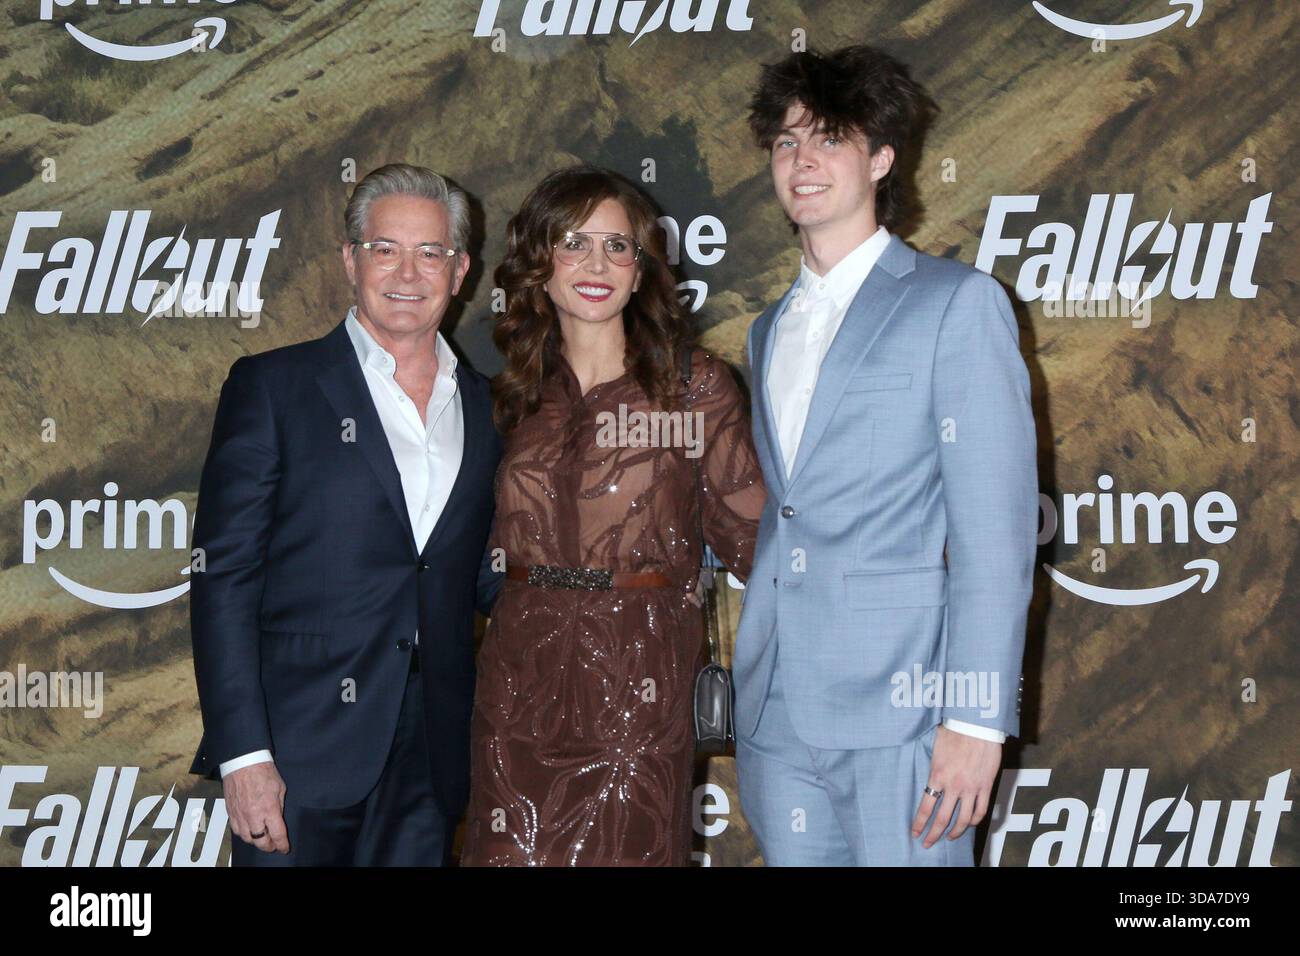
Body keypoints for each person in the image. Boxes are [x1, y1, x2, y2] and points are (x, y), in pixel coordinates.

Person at [734, 45, 1038, 866]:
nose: (802, 161)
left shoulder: (956, 305)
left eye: (829, 138)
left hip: (906, 713)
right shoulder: (766, 332)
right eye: (785, 141)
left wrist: (975, 721)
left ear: (880, 157)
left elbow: (996, 533)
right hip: (774, 711)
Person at [188, 163, 502, 866]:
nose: (407, 273)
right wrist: (243, 754)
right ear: (349, 260)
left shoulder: (488, 406)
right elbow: (223, 578)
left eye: (431, 253)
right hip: (295, 759)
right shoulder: (273, 387)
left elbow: (488, 574)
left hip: (433, 763)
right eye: (385, 248)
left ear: (460, 272)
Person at [461, 164, 765, 866]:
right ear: (541, 264)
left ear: (641, 269)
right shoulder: (510, 394)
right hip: (517, 688)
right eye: (574, 243)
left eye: (617, 246)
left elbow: (757, 541)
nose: (597, 264)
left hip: (638, 689)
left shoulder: (694, 389)